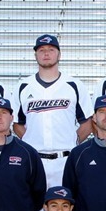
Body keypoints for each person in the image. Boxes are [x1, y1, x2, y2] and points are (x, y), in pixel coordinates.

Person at [13, 34, 92, 187]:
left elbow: (88, 122)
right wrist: (31, 142)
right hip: (34, 159)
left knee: (66, 206)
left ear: (59, 54)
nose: (46, 53)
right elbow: (17, 123)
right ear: (35, 55)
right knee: (34, 208)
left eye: (51, 49)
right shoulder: (23, 86)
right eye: (41, 50)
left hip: (66, 160)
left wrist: (73, 141)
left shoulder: (74, 85)